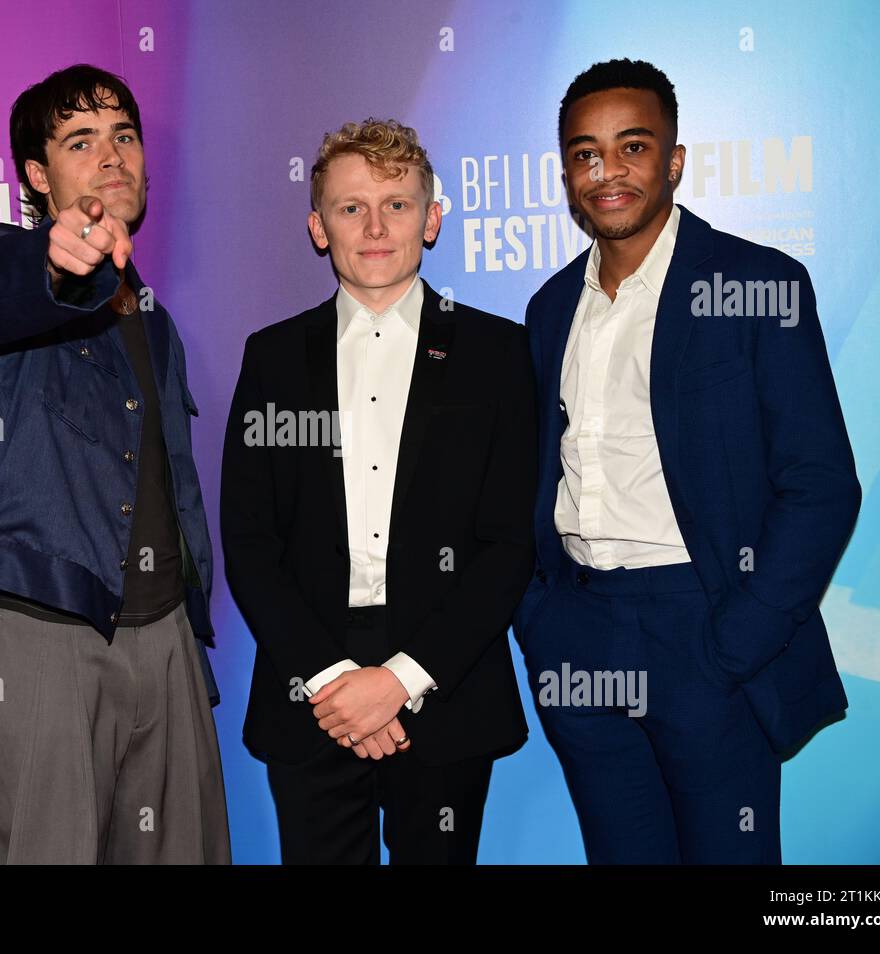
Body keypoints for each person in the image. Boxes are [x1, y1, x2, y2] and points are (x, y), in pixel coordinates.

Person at [518, 58, 860, 863]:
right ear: (567, 172)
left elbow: (820, 487)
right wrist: (542, 624)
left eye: (632, 147)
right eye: (585, 152)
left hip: (703, 627)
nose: (608, 171)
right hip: (579, 633)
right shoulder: (549, 307)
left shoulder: (757, 283)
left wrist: (735, 644)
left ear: (674, 160)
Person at [0, 63, 230, 864]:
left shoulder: (157, 322)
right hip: (45, 634)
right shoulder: (0, 264)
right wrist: (57, 266)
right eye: (80, 141)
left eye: (124, 136)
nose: (111, 156)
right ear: (37, 175)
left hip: (167, 641)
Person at [221, 118, 538, 864]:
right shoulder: (272, 359)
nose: (373, 225)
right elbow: (250, 540)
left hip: (446, 683)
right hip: (310, 692)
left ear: (430, 219)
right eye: (350, 206)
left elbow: (509, 543)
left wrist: (399, 681)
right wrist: (337, 685)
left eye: (396, 204)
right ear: (316, 226)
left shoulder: (497, 353)